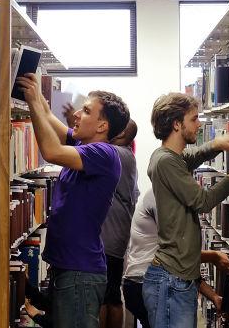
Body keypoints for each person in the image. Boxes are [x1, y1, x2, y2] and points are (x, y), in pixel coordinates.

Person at [17, 74, 130, 328]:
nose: (76, 114)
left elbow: (51, 151)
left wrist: (33, 102)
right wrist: (37, 93)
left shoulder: (103, 153)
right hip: (69, 268)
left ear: (102, 126)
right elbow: (50, 120)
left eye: (86, 111)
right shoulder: (83, 145)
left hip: (80, 273)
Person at [144, 92, 229, 328]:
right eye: (194, 119)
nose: (199, 124)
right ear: (177, 124)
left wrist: (217, 143)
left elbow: (192, 156)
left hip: (178, 280)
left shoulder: (170, 157)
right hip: (171, 281)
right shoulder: (166, 161)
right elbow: (203, 202)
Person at [122, 188, 229, 328]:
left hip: (144, 282)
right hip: (144, 283)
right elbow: (179, 256)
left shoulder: (167, 196)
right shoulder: (159, 197)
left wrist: (213, 296)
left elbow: (181, 264)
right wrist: (213, 256)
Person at [99, 120, 139, 328]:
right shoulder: (128, 155)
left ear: (121, 132)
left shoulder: (115, 153)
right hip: (116, 235)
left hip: (109, 239)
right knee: (111, 292)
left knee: (106, 296)